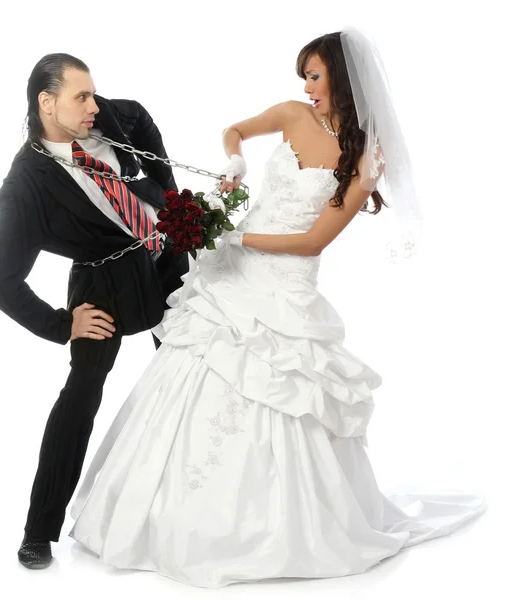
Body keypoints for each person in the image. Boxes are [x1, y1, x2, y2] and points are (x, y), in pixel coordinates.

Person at [67, 29, 486, 588]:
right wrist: (235, 162)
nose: (307, 88)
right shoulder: (290, 115)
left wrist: (240, 241)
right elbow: (234, 130)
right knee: (197, 368)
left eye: (314, 76)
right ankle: (170, 514)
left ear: (343, 76)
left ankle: (274, 528)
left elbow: (314, 241)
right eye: (304, 78)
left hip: (284, 283)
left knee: (284, 388)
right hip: (233, 276)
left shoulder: (365, 158)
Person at [0, 53, 189, 569]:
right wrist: (62, 322)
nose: (95, 105)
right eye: (82, 97)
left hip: (165, 259)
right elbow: (1, 283)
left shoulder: (109, 119)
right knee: (81, 395)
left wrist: (166, 195)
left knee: (192, 369)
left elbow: (140, 115)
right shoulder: (25, 184)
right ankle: (39, 529)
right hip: (104, 285)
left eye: (94, 93)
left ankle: (192, 501)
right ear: (46, 103)